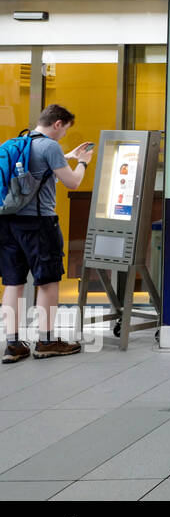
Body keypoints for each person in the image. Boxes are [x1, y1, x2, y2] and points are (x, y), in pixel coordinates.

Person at [0, 104, 93, 363]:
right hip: (39, 224)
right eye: (65, 130)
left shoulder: (21, 141)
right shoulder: (50, 147)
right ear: (58, 124)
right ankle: (47, 340)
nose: (64, 135)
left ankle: (13, 345)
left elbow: (37, 171)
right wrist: (83, 163)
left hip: (7, 223)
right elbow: (72, 182)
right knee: (47, 281)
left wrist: (68, 155)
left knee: (13, 283)